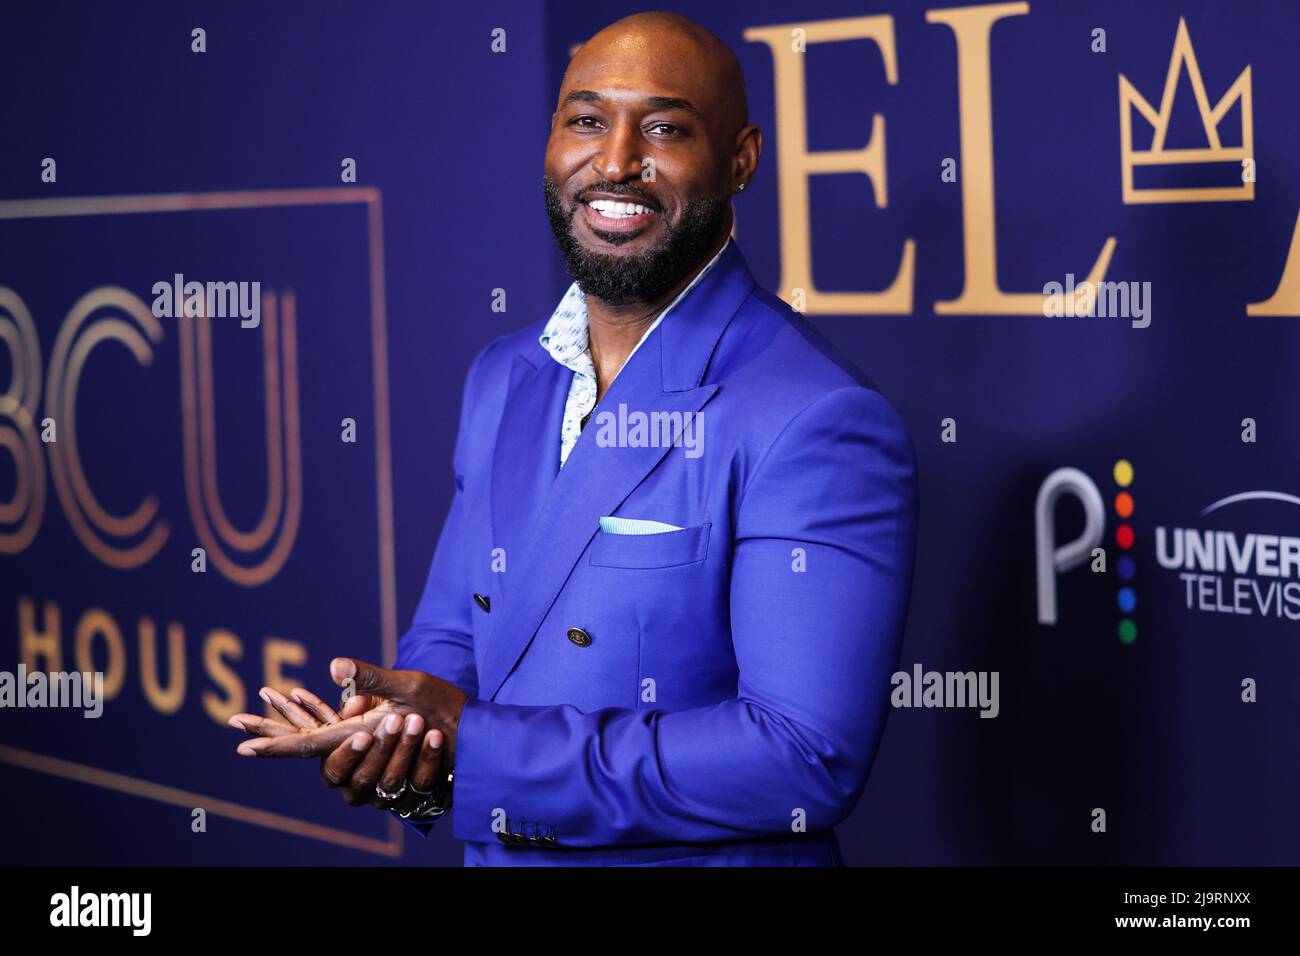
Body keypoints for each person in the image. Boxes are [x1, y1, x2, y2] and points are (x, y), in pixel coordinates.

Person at [231, 10, 918, 867]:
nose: (617, 160)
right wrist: (395, 745)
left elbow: (800, 760)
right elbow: (456, 645)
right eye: (587, 120)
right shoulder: (502, 375)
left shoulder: (814, 417)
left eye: (665, 127)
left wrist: (476, 749)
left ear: (741, 160)